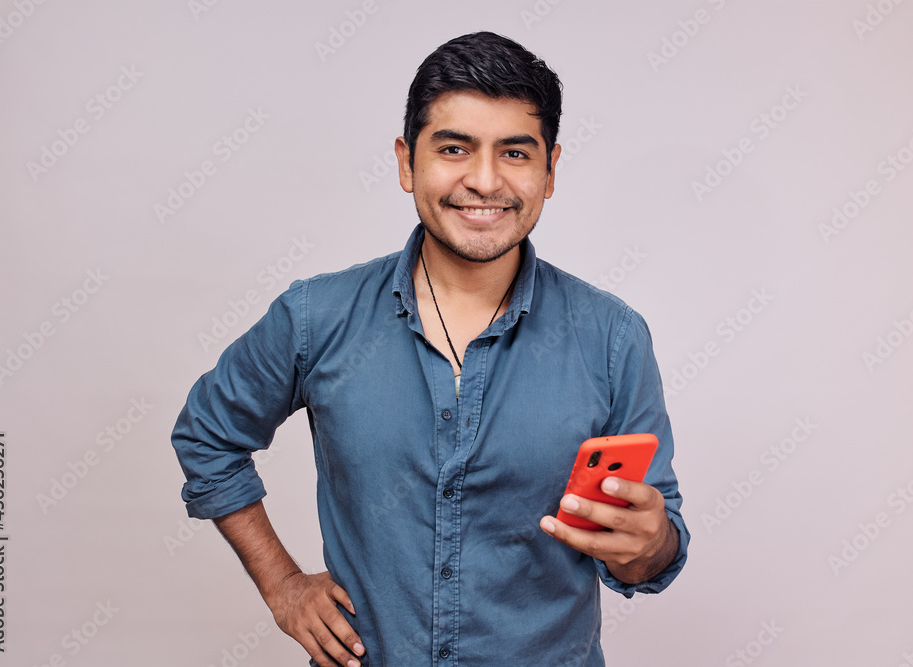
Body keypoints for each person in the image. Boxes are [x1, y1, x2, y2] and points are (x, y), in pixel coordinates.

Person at [171, 31, 689, 667]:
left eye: (515, 153)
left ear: (550, 171)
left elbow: (656, 552)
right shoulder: (316, 316)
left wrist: (649, 542)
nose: (484, 180)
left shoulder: (611, 336)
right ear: (405, 162)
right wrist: (281, 584)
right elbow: (208, 435)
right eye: (454, 148)